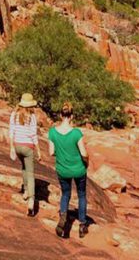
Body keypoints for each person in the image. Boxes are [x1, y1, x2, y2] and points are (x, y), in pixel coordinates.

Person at [48, 102, 89, 239]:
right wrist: (86, 162)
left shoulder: (52, 132)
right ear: (71, 116)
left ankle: (63, 215)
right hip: (78, 169)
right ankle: (82, 225)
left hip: (63, 169)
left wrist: (62, 153)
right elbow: (84, 153)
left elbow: (51, 152)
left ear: (61, 115)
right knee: (81, 195)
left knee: (65, 194)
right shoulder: (76, 133)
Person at [9, 92, 41, 217]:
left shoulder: (14, 114)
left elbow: (11, 131)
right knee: (31, 173)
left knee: (23, 167)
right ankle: (31, 200)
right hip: (28, 147)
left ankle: (26, 191)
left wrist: (12, 147)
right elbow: (33, 134)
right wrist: (38, 150)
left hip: (17, 146)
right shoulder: (32, 116)